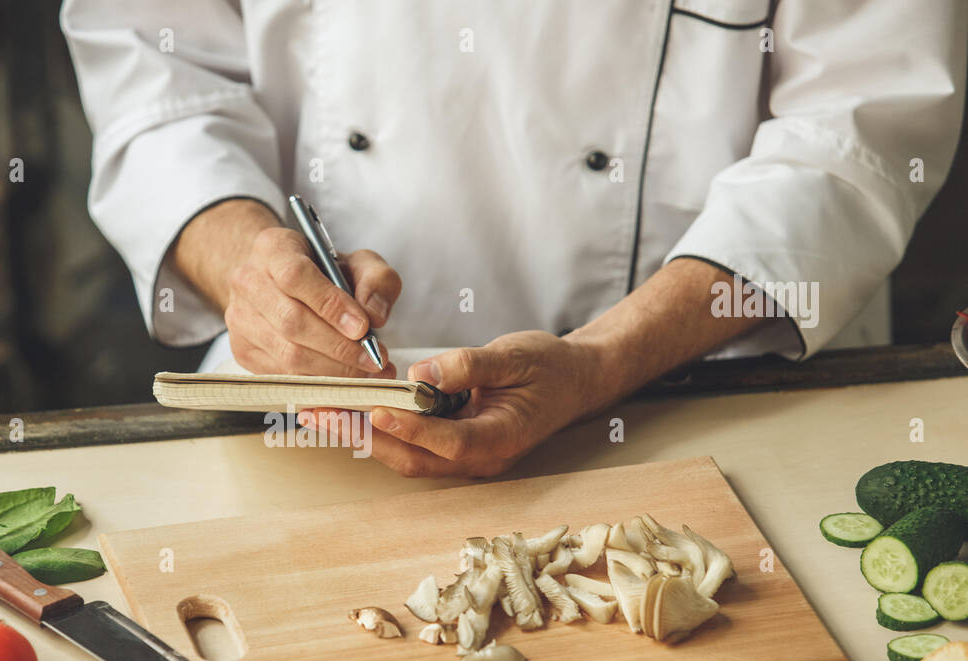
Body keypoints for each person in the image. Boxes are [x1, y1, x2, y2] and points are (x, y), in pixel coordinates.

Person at [62, 0, 966, 477]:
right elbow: (156, 64)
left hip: (704, 395)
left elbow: (857, 128)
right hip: (322, 418)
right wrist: (249, 265)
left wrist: (602, 363)